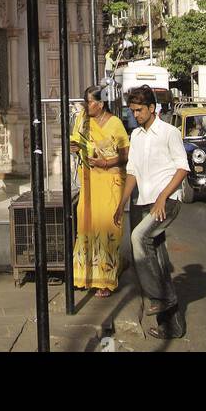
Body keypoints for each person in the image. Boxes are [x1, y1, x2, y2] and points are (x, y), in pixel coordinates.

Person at [115, 85, 189, 340]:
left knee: (139, 238)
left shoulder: (169, 133)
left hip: (167, 202)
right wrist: (121, 204)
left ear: (151, 108)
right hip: (145, 202)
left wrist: (162, 196)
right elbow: (132, 172)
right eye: (132, 110)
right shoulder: (136, 136)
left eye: (139, 110)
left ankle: (157, 297)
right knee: (157, 259)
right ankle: (173, 325)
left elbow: (182, 169)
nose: (135, 114)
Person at [69, 87, 130, 297]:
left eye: (89, 102)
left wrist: (105, 162)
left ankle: (105, 280)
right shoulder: (83, 121)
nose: (86, 106)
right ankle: (85, 275)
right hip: (89, 180)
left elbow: (125, 155)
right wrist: (76, 147)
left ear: (101, 104)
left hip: (110, 180)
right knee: (86, 225)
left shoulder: (115, 124)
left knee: (107, 228)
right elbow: (75, 141)